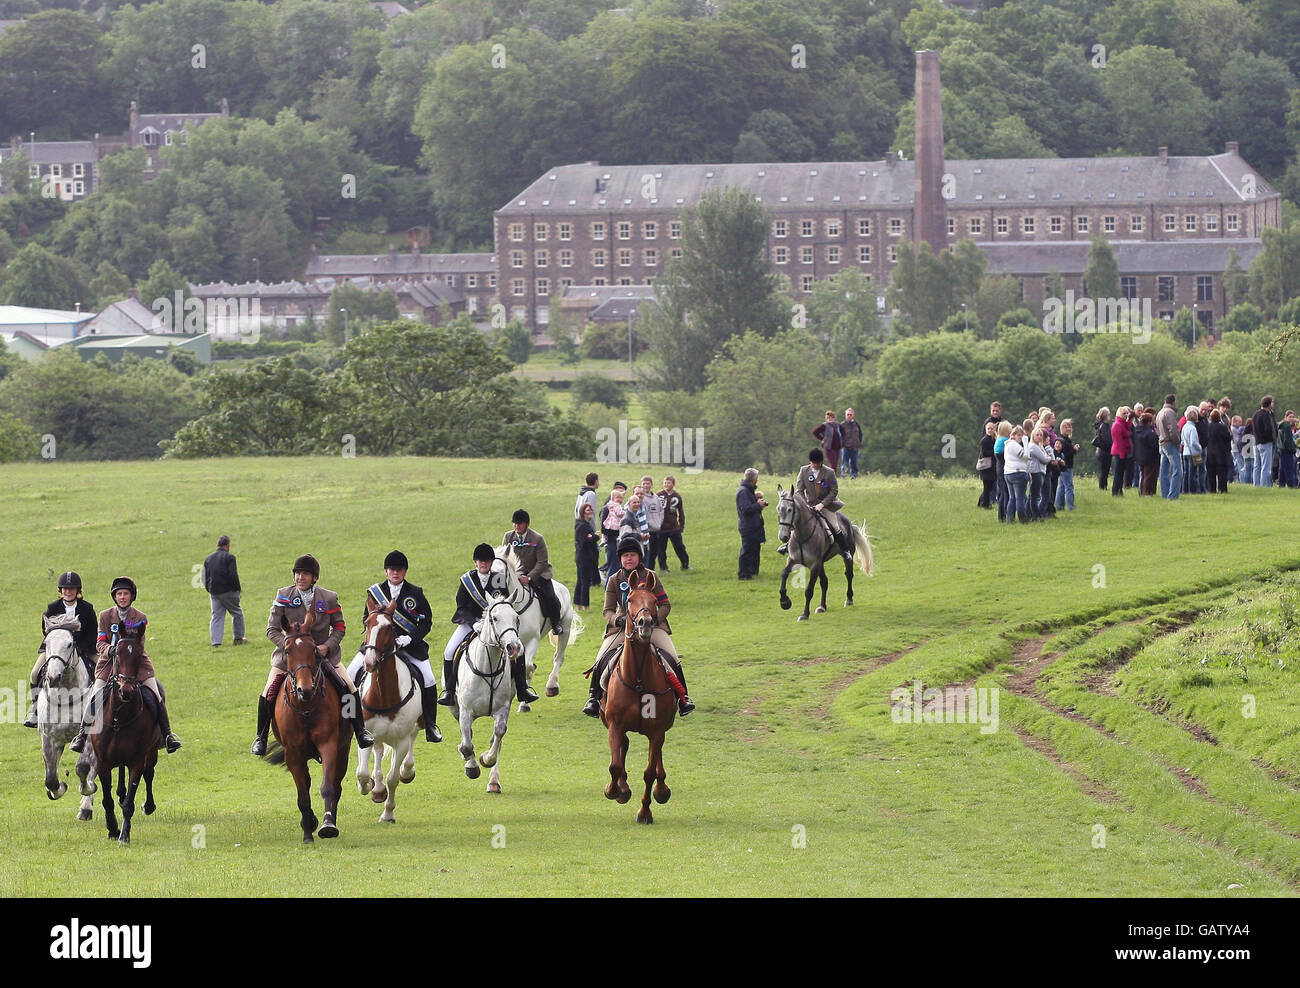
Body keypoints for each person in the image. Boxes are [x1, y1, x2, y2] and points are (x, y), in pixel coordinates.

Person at [250, 555, 372, 756]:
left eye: (305, 574)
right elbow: (272, 630)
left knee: (348, 687)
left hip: (324, 657)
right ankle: (261, 737)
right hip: (288, 659)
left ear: (314, 577)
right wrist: (291, 647)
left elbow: (339, 628)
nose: (300, 577)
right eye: (297, 573)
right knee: (268, 692)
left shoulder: (329, 598)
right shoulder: (283, 595)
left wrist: (327, 646)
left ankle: (360, 731)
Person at [582, 535, 694, 718]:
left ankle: (683, 699)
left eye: (632, 555)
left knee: (672, 657)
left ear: (639, 557)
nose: (629, 558)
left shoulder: (651, 576)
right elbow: (607, 611)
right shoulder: (614, 580)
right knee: (600, 658)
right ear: (620, 558)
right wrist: (618, 620)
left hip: (653, 627)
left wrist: (654, 619)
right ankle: (593, 699)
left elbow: (665, 604)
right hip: (623, 629)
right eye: (625, 555)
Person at [71, 577, 181, 755]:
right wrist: (112, 650)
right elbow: (100, 644)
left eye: (126, 594)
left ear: (132, 596)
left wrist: (124, 650)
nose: (122, 597)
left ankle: (167, 736)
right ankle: (81, 736)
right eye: (119, 594)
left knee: (157, 693)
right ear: (114, 597)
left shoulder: (140, 617)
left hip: (136, 663)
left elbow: (138, 643)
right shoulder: (105, 616)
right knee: (94, 694)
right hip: (109, 663)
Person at [346, 550, 441, 743]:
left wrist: (410, 638)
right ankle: (346, 721)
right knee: (350, 674)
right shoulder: (374, 593)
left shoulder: (416, 593)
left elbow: (426, 622)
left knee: (429, 679)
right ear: (385, 571)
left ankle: (430, 725)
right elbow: (367, 619)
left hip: (409, 647)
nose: (395, 573)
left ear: (405, 571)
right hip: (378, 646)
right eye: (392, 570)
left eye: (399, 570)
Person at [440, 542, 537, 709]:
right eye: (480, 560)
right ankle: (449, 691)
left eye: (487, 561)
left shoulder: (499, 580)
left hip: (495, 625)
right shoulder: (466, 581)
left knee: (518, 649)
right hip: (471, 624)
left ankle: (522, 689)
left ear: (492, 563)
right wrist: (474, 624)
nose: (483, 563)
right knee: (449, 651)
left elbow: (505, 604)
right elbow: (461, 608)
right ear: (475, 562)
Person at [24, 571, 97, 728]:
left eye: (71, 589)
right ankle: (35, 710)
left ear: (78, 591)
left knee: (103, 670)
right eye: (64, 588)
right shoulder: (52, 608)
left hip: (83, 648)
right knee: (34, 673)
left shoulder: (87, 609)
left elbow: (93, 632)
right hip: (56, 649)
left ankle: (103, 709)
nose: (68, 591)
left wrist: (78, 646)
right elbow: (46, 630)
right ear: (60, 590)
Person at [781, 449, 852, 560]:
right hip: (808, 505)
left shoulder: (829, 472)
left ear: (821, 462)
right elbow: (799, 490)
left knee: (836, 526)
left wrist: (822, 504)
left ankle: (846, 550)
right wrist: (805, 505)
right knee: (794, 522)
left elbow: (834, 491)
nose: (815, 465)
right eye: (813, 463)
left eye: (817, 463)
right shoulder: (804, 471)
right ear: (810, 462)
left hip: (826, 506)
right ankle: (787, 546)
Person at [502, 509, 563, 636]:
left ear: (527, 524)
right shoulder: (508, 536)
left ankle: (555, 623)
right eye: (514, 523)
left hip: (538, 573)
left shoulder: (537, 538)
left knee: (551, 597)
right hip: (515, 575)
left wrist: (529, 578)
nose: (516, 526)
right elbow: (505, 558)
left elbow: (542, 562)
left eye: (519, 523)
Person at [203, 535, 246, 648]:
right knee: (237, 613)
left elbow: (205, 577)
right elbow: (233, 575)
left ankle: (216, 642)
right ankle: (238, 638)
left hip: (214, 592)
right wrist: (237, 589)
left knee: (217, 616)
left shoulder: (208, 558)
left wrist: (209, 589)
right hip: (228, 591)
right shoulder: (230, 557)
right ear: (228, 545)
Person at [655, 475, 690, 571]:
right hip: (661, 528)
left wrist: (681, 526)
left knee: (680, 547)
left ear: (673, 484)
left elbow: (681, 512)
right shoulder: (658, 495)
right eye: (665, 483)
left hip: (674, 527)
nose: (666, 484)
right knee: (661, 549)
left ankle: (685, 565)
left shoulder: (677, 496)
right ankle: (663, 567)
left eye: (668, 483)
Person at [737, 468, 766, 579]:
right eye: (757, 478)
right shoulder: (743, 491)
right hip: (748, 526)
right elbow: (745, 509)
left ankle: (752, 571)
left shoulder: (747, 490)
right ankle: (743, 574)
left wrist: (757, 502)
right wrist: (758, 505)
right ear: (754, 479)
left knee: (754, 549)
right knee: (747, 550)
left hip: (754, 525)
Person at [1156, 394, 1183, 499]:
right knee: (1177, 470)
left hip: (1162, 443)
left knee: (1164, 471)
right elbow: (1173, 430)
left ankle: (1165, 493)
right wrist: (1177, 441)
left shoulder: (1160, 412)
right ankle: (1173, 496)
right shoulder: (1170, 413)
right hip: (1170, 444)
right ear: (1174, 402)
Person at [574, 503, 600, 609]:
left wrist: (591, 537)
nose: (590, 512)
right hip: (584, 558)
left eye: (591, 510)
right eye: (587, 510)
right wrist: (595, 537)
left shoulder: (585, 525)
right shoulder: (582, 526)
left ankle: (579, 604)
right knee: (584, 581)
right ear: (583, 513)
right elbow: (583, 542)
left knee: (581, 580)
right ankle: (585, 605)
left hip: (584, 557)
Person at [1002, 426, 1030, 523]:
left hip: (1008, 473)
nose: (1021, 437)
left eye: (1022, 435)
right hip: (1017, 473)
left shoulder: (1008, 445)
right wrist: (1026, 442)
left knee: (1012, 498)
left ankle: (1010, 519)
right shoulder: (1014, 445)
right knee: (1020, 498)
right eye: (1019, 435)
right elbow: (1026, 456)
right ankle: (1023, 519)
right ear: (1013, 435)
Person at [599, 483, 627, 579]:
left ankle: (617, 589)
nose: (619, 500)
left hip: (619, 541)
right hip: (611, 541)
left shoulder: (620, 507)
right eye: (617, 497)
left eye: (621, 497)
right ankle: (609, 589)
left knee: (619, 567)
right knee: (613, 567)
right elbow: (604, 529)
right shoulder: (607, 509)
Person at [1026, 428, 1054, 520]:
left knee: (1033, 495)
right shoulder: (1033, 446)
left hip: (1040, 471)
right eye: (1037, 435)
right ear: (1033, 436)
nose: (1039, 437)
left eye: (1040, 435)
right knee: (1035, 496)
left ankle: (1030, 514)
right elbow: (1045, 459)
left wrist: (1047, 457)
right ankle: (1035, 516)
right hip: (1035, 472)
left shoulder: (1039, 446)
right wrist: (1049, 457)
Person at [1204, 409, 1233, 494]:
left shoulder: (1208, 427)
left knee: (1211, 474)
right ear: (1219, 418)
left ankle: (1212, 489)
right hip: (1221, 453)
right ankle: (1222, 489)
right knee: (1222, 474)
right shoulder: (1223, 427)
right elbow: (1228, 438)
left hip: (1210, 453)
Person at [639, 476, 665, 568]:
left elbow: (661, 511)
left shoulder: (656, 498)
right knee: (647, 554)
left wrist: (659, 523)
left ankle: (651, 572)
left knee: (654, 553)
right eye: (644, 484)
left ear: (651, 484)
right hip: (647, 531)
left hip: (657, 530)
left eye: (648, 483)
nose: (646, 485)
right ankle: (645, 572)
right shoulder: (641, 498)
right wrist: (649, 524)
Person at [1132, 411, 1160, 496]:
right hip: (1150, 458)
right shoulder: (1150, 433)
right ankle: (1148, 492)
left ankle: (1141, 492)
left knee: (1143, 475)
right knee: (1150, 476)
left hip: (1140, 456)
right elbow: (1155, 445)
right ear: (1149, 422)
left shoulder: (1137, 430)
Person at [1055, 419, 1080, 511]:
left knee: (1062, 486)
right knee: (1069, 487)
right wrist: (1074, 450)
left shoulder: (1067, 439)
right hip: (1066, 466)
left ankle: (1059, 505)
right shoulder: (1062, 440)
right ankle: (1070, 506)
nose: (1068, 429)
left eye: (1069, 427)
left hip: (1065, 466)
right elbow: (1065, 454)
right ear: (1062, 428)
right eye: (1066, 427)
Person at [1252, 396, 1277, 488]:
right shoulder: (1266, 415)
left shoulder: (1256, 414)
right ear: (1269, 403)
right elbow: (1268, 429)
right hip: (1266, 443)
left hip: (1257, 442)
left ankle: (1256, 485)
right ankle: (1264, 486)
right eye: (1272, 402)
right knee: (1266, 466)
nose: (1273, 404)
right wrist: (1271, 437)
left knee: (1257, 466)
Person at [1110, 407, 1133, 497]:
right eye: (1124, 414)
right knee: (1118, 473)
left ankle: (1119, 490)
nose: (1126, 415)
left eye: (1127, 413)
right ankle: (1115, 491)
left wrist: (1129, 419)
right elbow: (1118, 442)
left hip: (1124, 451)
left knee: (1121, 473)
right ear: (1119, 414)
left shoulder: (1123, 424)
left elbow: (1128, 427)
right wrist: (1122, 455)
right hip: (1119, 452)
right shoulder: (1117, 425)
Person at [813, 411, 843, 475]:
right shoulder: (824, 425)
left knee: (835, 464)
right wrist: (822, 438)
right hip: (828, 447)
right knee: (833, 464)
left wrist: (843, 441)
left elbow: (844, 432)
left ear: (834, 418)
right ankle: (831, 478)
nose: (830, 419)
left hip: (837, 447)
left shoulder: (837, 425)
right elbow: (815, 432)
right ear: (826, 419)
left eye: (832, 417)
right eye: (828, 418)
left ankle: (833, 477)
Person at [1180, 408, 1202, 495]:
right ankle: (1192, 490)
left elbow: (1182, 441)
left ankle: (1185, 490)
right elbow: (1193, 442)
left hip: (1185, 452)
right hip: (1193, 453)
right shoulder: (1193, 428)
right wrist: (1199, 448)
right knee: (1192, 474)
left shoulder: (1184, 427)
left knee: (1186, 473)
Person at [993, 421, 1012, 521]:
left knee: (1002, 492)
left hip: (999, 468)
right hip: (1004, 468)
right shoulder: (1005, 441)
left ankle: (1001, 515)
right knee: (1005, 493)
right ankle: (1004, 514)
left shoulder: (998, 440)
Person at [977, 422, 997, 509]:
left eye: (991, 429)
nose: (990, 430)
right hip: (986, 467)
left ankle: (982, 502)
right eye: (988, 429)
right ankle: (985, 504)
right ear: (986, 430)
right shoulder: (985, 440)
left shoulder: (993, 439)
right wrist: (994, 452)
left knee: (989, 486)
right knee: (987, 486)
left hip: (991, 467)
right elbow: (984, 453)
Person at [1092, 407, 1113, 491]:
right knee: (1105, 471)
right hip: (1105, 452)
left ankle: (1103, 487)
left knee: (1103, 470)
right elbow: (1107, 440)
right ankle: (1103, 487)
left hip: (1100, 451)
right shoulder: (1105, 426)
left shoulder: (1098, 425)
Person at [1277, 410, 1298, 488]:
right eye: (1290, 417)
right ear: (1286, 417)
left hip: (1281, 449)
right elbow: (1287, 440)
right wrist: (1293, 449)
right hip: (1287, 450)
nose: (1292, 418)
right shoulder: (1287, 426)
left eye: (1293, 417)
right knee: (1289, 468)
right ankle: (1291, 485)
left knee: (1282, 468)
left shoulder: (1281, 425)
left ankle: (1281, 484)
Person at [840, 408, 863, 478]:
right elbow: (839, 436)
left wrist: (859, 443)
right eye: (848, 414)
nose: (849, 416)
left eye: (851, 414)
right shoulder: (842, 425)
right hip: (845, 448)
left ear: (853, 415)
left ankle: (854, 477)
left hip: (855, 448)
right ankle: (844, 476)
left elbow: (860, 434)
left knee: (854, 464)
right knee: (845, 464)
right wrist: (842, 445)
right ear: (845, 415)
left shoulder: (856, 424)